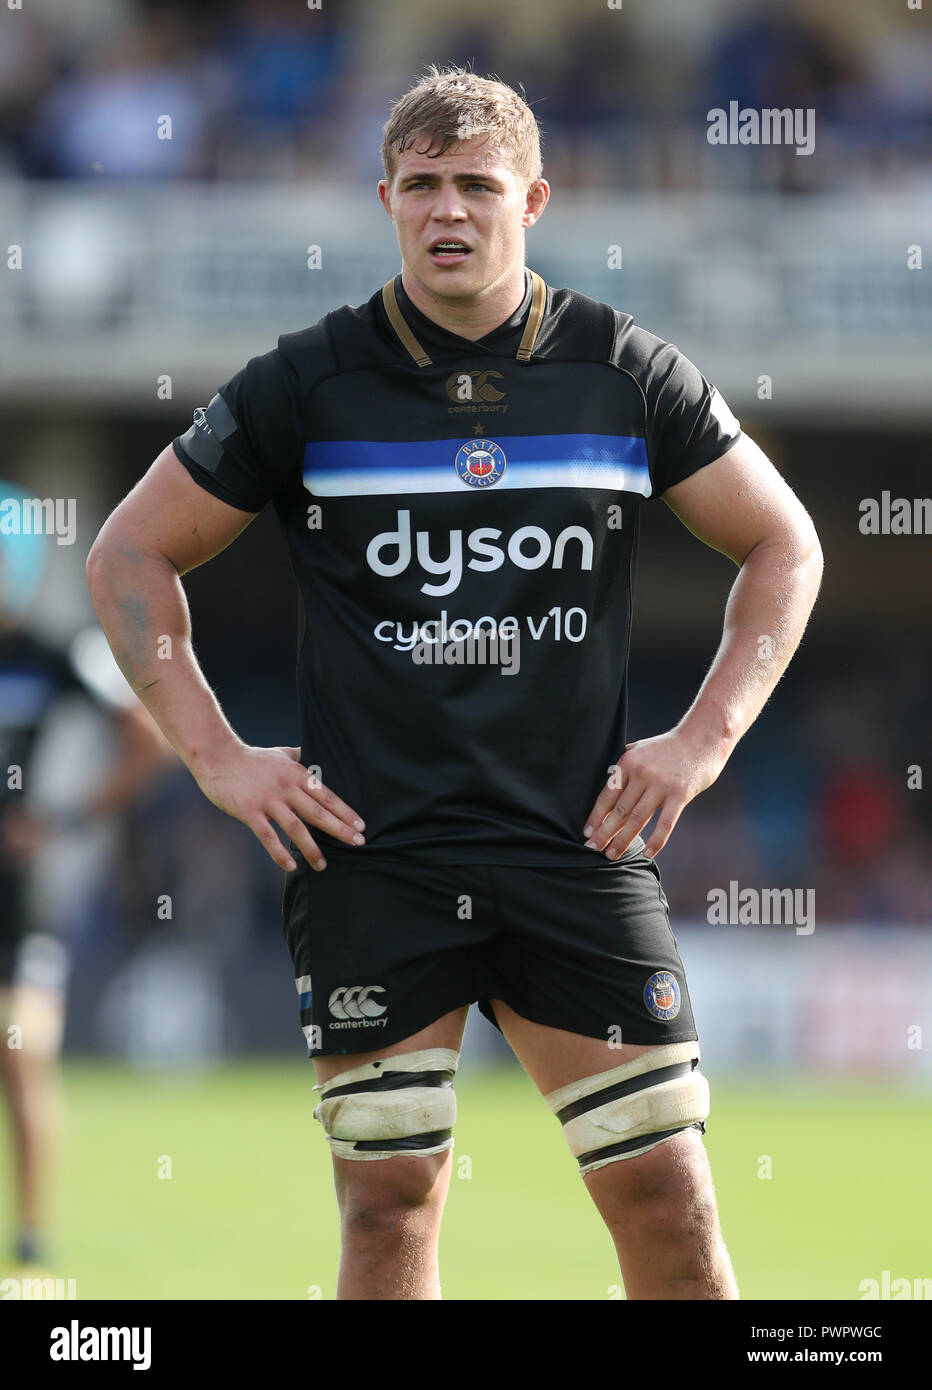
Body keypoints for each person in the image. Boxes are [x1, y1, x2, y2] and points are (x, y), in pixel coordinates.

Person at [85, 64, 823, 1300]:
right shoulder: (307, 382)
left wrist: (701, 740)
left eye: (475, 186)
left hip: (572, 849)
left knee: (667, 1196)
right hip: (374, 857)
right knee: (388, 1209)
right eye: (420, 186)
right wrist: (214, 752)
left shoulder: (621, 369)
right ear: (384, 199)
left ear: (532, 198)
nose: (447, 212)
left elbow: (784, 542)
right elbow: (127, 551)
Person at [0, 503, 174, 1268]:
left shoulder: (51, 655)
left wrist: (61, 819)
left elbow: (148, 738)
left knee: (22, 1055)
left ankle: (33, 1239)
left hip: (15, 896)